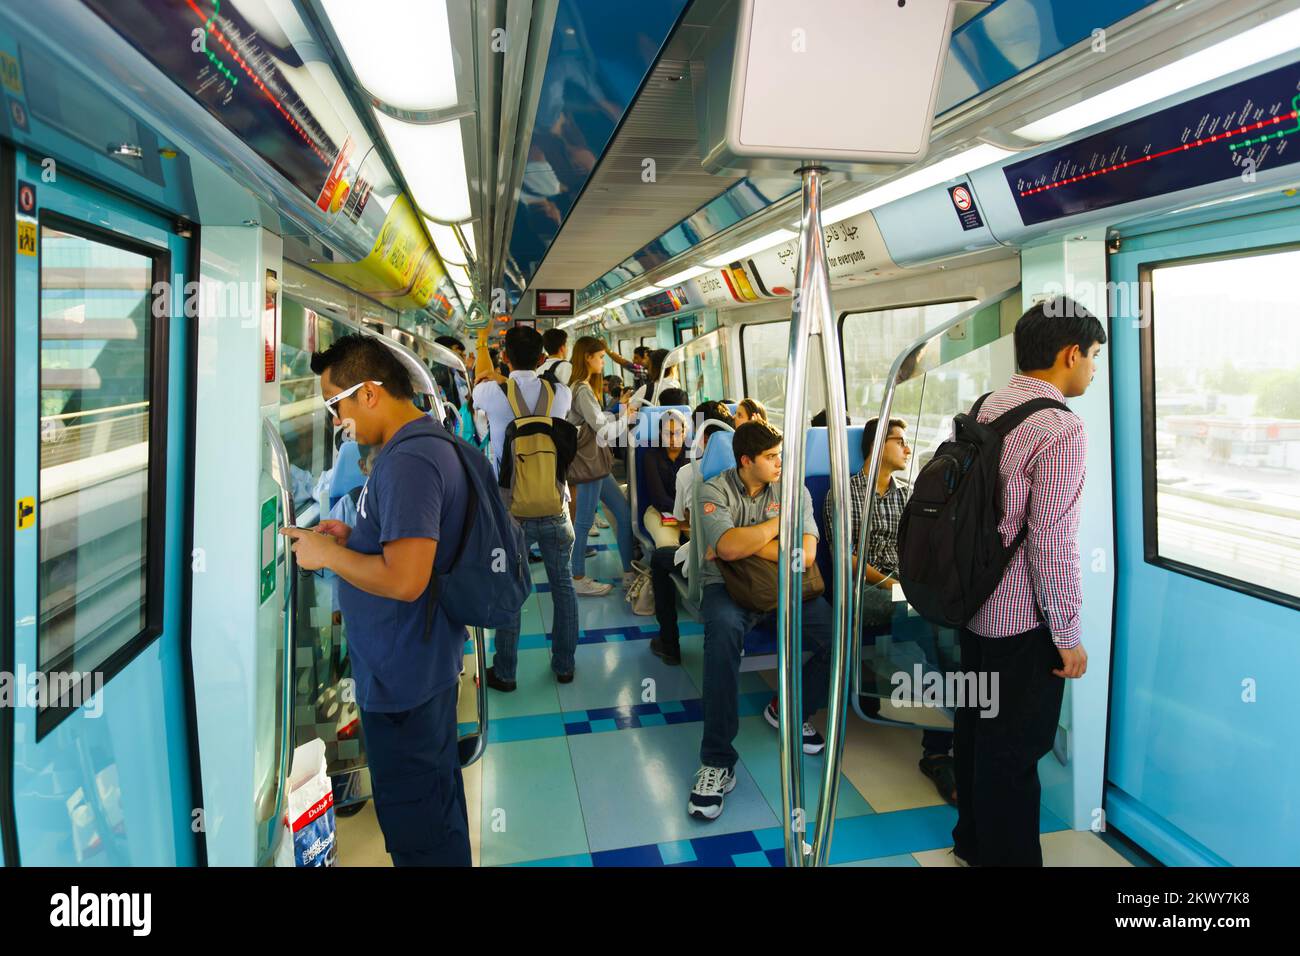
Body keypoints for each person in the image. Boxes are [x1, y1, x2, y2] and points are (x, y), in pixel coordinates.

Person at [280, 334, 471, 866]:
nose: (337, 418)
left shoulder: (409, 461)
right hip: (412, 666)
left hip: (405, 679)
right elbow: (398, 541)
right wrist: (351, 538)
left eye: (335, 403)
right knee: (433, 806)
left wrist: (325, 555)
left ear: (369, 393)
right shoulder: (410, 448)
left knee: (420, 829)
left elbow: (407, 579)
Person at [951, 298, 1101, 867]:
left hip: (971, 605)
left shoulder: (988, 406)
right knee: (1015, 755)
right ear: (1069, 354)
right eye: (1091, 357)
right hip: (1019, 621)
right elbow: (1051, 541)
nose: (1091, 369)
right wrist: (1067, 634)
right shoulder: (1058, 426)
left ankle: (972, 844)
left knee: (975, 728)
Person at [688, 420, 834, 820]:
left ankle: (791, 709)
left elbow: (803, 557)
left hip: (784, 585)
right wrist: (774, 529)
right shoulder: (713, 488)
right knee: (721, 641)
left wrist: (744, 542)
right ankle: (717, 761)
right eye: (771, 458)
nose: (779, 463)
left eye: (780, 455)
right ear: (745, 461)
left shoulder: (793, 489)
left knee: (838, 637)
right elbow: (727, 550)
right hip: (728, 588)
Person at [824, 418, 957, 805]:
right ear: (878, 445)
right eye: (900, 441)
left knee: (950, 625)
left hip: (903, 585)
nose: (906, 449)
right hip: (864, 587)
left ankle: (946, 731)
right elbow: (845, 554)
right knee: (933, 626)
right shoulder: (845, 493)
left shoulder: (906, 495)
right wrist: (890, 583)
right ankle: (938, 744)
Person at [470, 326, 581, 688]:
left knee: (510, 588)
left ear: (505, 358)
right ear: (542, 358)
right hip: (555, 502)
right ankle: (564, 666)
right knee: (563, 586)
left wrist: (486, 354)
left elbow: (480, 382)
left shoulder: (491, 391)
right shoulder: (560, 393)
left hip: (511, 509)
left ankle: (506, 672)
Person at [648, 400, 734, 666]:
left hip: (707, 562)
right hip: (749, 560)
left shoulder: (690, 472)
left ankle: (669, 644)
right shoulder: (751, 468)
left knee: (659, 559)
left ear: (702, 436)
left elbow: (681, 516)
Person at [566, 335, 636, 595]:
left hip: (596, 464)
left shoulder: (580, 386)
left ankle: (629, 572)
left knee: (624, 511)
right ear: (588, 357)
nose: (603, 362)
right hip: (589, 464)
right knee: (583, 522)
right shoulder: (582, 389)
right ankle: (577, 577)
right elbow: (604, 431)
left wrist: (619, 413)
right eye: (601, 357)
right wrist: (626, 417)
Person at [642, 409, 689, 549]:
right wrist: (683, 512)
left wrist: (691, 512)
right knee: (666, 545)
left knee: (709, 542)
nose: (673, 438)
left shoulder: (694, 456)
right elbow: (658, 498)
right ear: (661, 434)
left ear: (684, 432)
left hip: (690, 512)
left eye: (678, 432)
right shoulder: (651, 457)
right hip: (658, 511)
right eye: (668, 433)